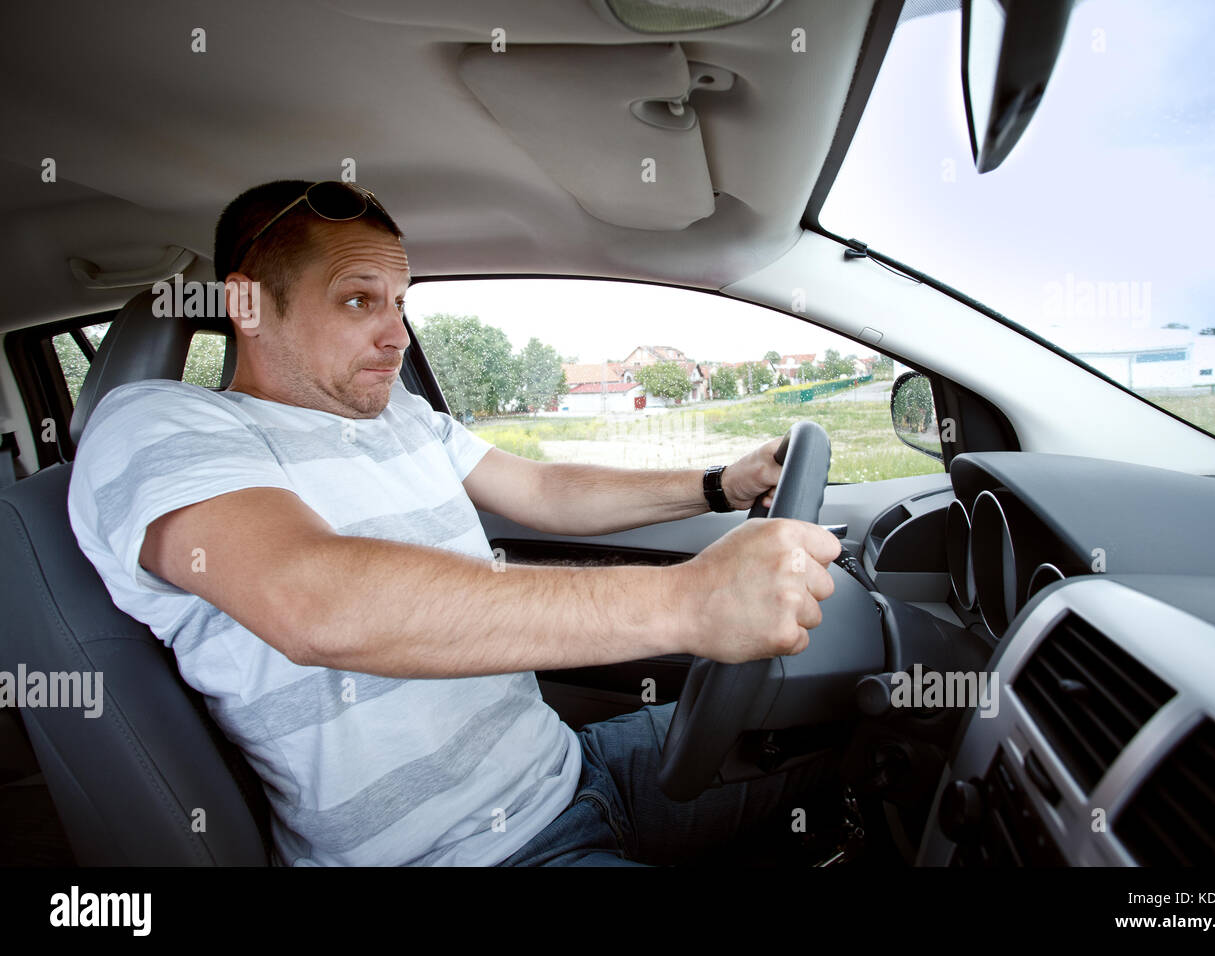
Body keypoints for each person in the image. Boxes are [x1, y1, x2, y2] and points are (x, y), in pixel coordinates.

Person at [67, 179, 842, 866]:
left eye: (401, 302)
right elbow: (314, 599)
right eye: (358, 299)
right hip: (459, 851)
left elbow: (547, 490)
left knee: (862, 729)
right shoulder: (157, 427)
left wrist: (720, 484)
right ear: (245, 304)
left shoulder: (399, 414)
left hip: (573, 767)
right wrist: (689, 602)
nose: (396, 334)